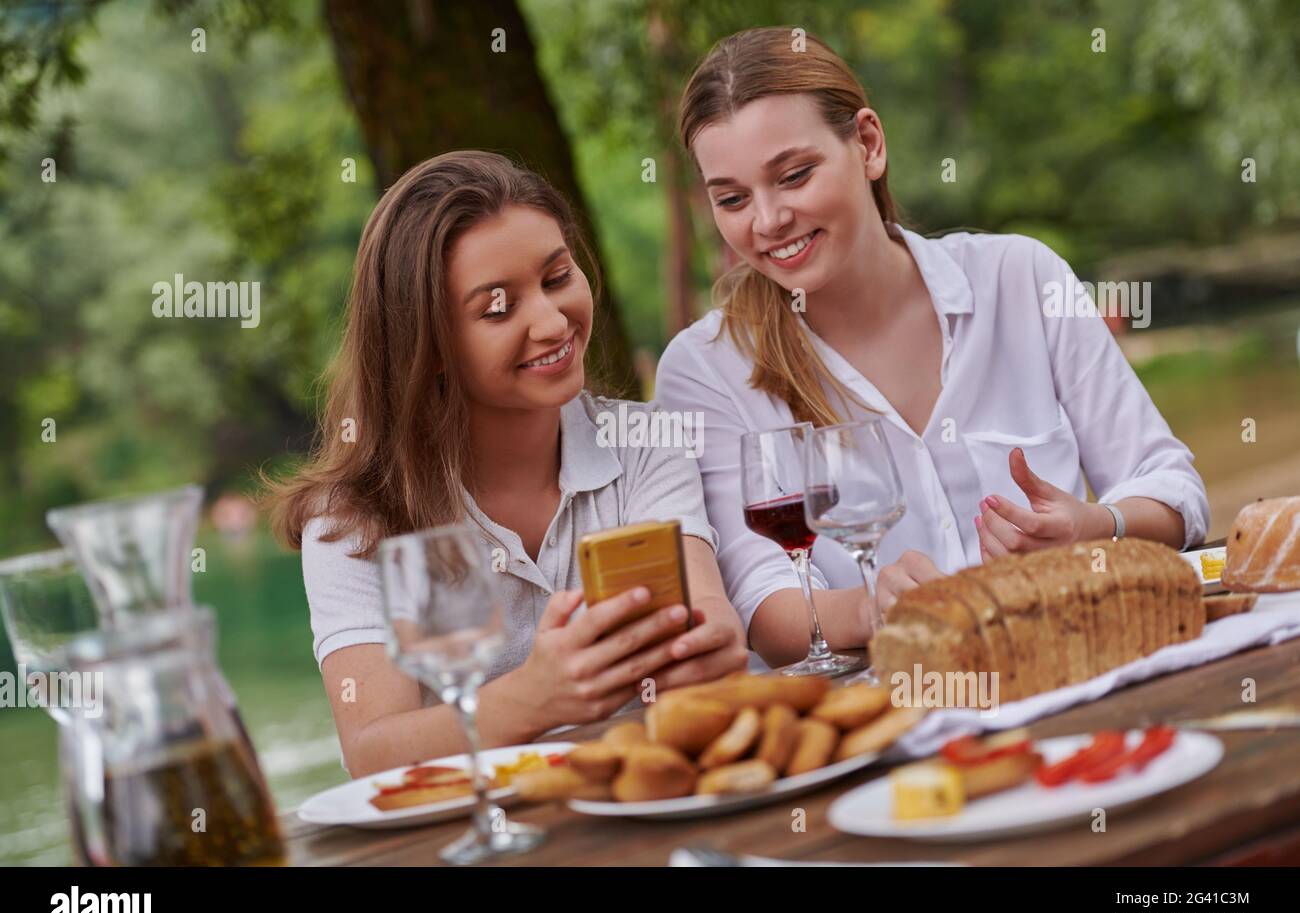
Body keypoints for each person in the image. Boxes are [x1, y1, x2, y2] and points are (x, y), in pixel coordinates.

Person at [655, 28, 1209, 670]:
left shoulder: (1020, 278)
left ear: (867, 144)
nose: (769, 219)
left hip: (1079, 661)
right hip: (903, 708)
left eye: (795, 175)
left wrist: (1095, 525)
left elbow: (1175, 493)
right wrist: (872, 607)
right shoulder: (705, 369)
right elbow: (761, 609)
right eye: (732, 198)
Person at [265, 151, 746, 776]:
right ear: (427, 345)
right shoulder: (353, 522)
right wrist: (533, 697)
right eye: (497, 308)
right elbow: (372, 753)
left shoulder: (647, 440)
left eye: (556, 278)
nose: (552, 323)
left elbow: (704, 626)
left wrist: (707, 647)